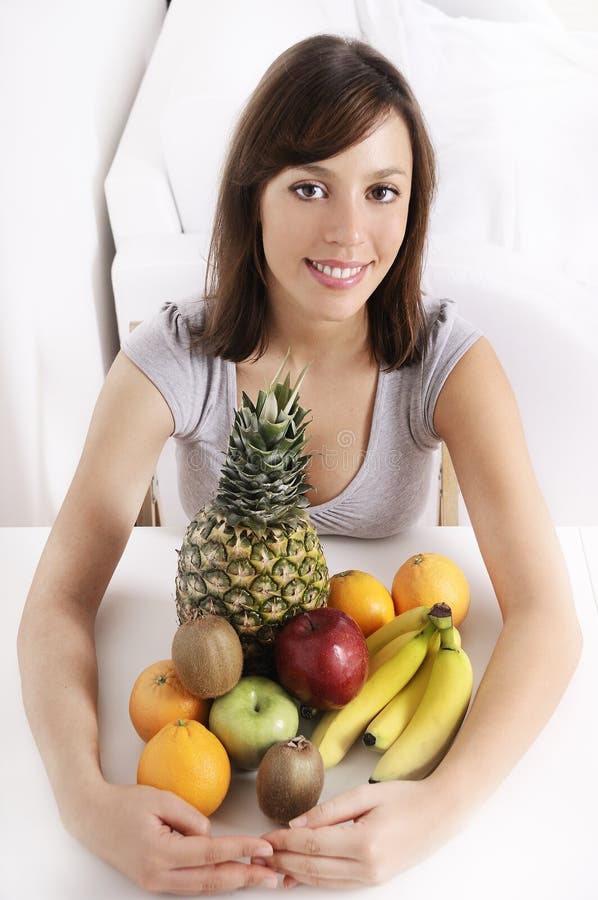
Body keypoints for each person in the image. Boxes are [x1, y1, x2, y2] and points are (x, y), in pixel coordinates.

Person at [17, 33, 582, 894]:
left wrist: (438, 808)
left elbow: (549, 617)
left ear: (412, 206)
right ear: (255, 198)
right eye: (310, 186)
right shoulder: (173, 358)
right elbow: (57, 596)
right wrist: (83, 799)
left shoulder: (448, 362)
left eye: (382, 191)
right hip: (212, 710)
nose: (349, 231)